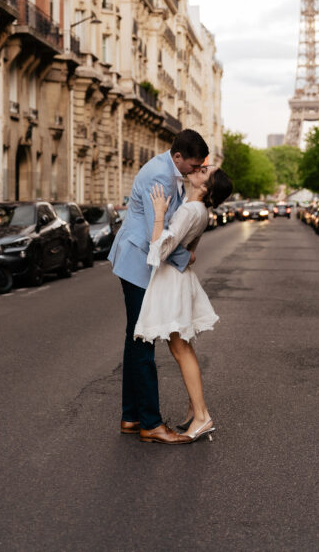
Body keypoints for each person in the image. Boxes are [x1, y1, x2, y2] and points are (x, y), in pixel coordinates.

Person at [108, 129, 209, 445]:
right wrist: (187, 258)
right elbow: (161, 238)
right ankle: (151, 423)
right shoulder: (160, 176)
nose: (196, 170)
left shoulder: (170, 170)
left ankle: (132, 416)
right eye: (194, 165)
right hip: (138, 262)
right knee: (144, 339)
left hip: (136, 260)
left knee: (136, 339)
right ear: (178, 157)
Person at [135, 166, 233, 442]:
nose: (198, 169)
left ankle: (202, 417)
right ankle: (195, 408)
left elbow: (160, 250)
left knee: (181, 349)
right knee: (182, 348)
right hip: (179, 279)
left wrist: (159, 214)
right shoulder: (199, 210)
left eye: (204, 171)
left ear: (206, 187)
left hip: (172, 282)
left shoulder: (191, 210)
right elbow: (188, 251)